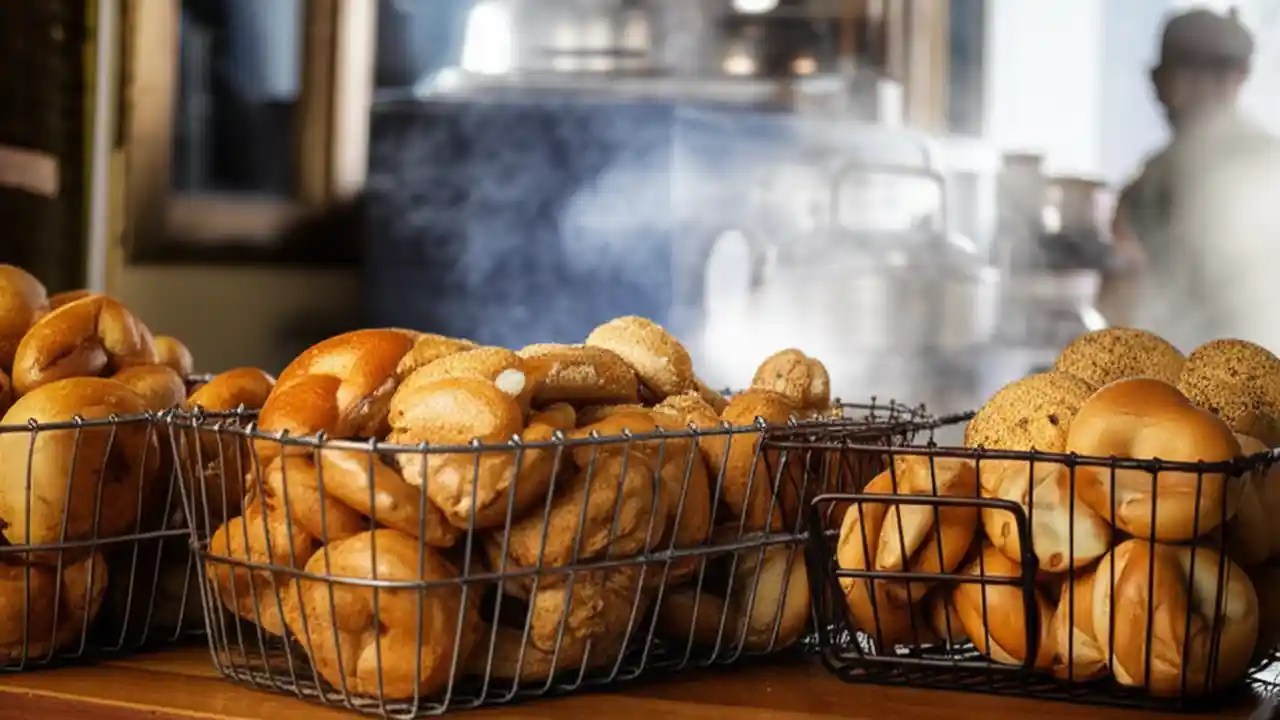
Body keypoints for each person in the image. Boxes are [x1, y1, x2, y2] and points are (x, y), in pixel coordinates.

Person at [1105, 7, 1280, 350]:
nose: (1168, 91)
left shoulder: (1262, 169)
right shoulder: (1153, 177)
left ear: (1236, 78)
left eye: (1197, 73)